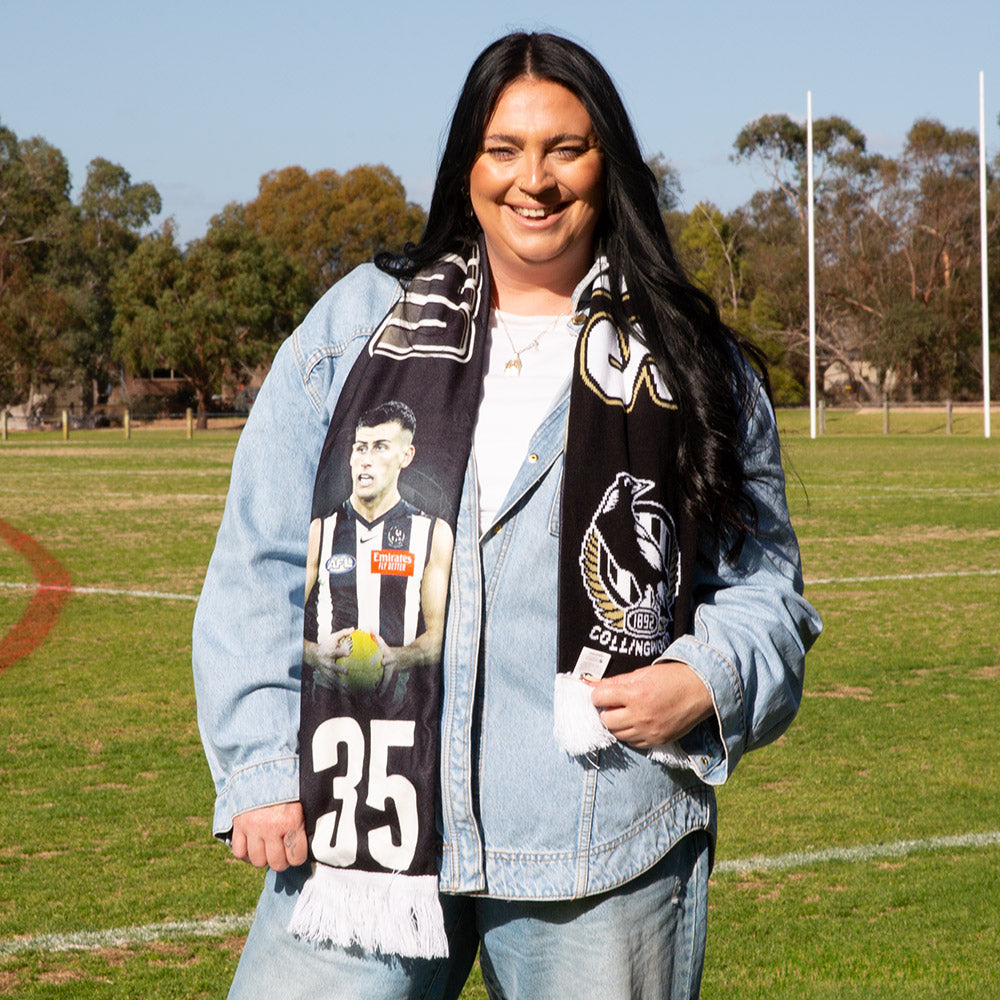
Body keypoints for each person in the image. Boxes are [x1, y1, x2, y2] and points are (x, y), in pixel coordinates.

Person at [193, 31, 821, 1000]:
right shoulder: (357, 328)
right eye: (505, 149)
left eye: (566, 148)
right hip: (363, 828)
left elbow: (764, 587)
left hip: (598, 835)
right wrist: (265, 763)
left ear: (608, 163)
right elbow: (261, 554)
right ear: (468, 166)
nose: (535, 179)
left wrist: (704, 679)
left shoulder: (689, 359)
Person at [302, 400, 453, 702]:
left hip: (400, 709)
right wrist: (314, 654)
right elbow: (280, 622)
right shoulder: (320, 531)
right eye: (361, 448)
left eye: (380, 447)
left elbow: (438, 636)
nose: (366, 460)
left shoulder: (432, 533)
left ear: (405, 456)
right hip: (328, 706)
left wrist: (400, 657)